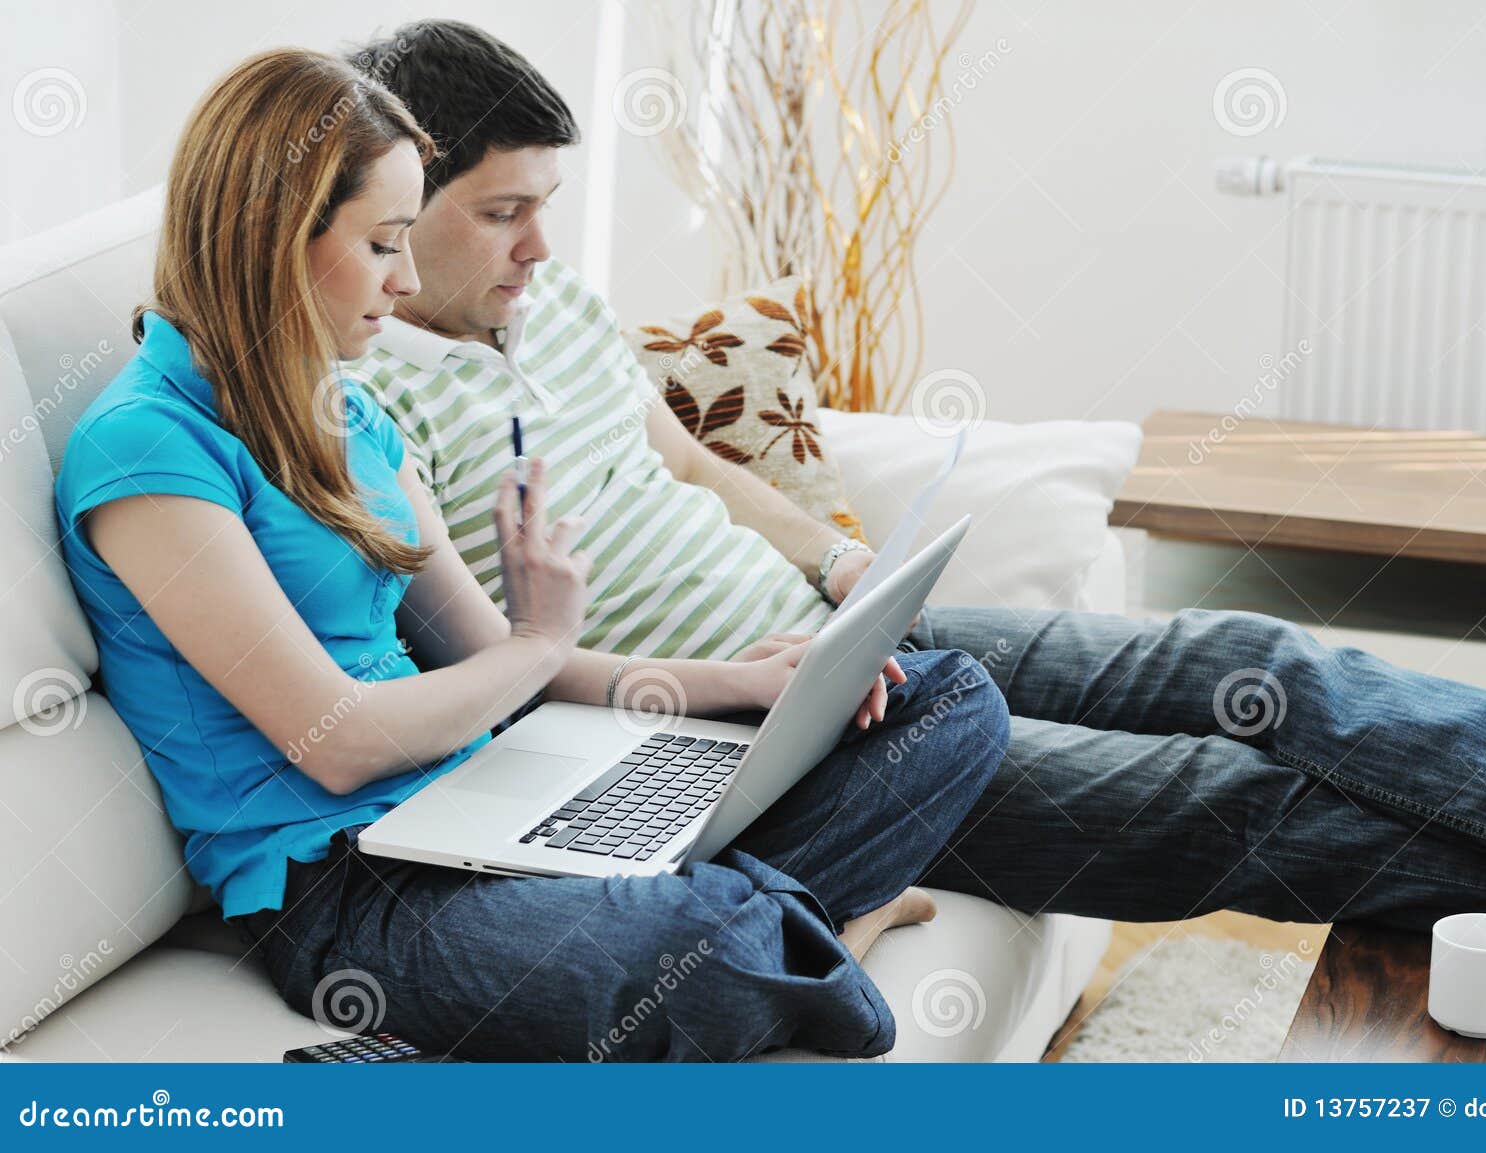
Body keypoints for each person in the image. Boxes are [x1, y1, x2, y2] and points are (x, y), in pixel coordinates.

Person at [350, 19, 1486, 951]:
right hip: (737, 736)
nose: (540, 246)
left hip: (835, 641)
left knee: (1254, 658)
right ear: (400, 206)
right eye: (504, 211)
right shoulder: (370, 405)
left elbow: (681, 460)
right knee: (1228, 804)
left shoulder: (551, 302)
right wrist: (743, 686)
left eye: (546, 205)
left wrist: (846, 569)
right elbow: (484, 669)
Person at [53, 48, 1013, 1062]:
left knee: (945, 703)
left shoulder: (353, 412)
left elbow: (494, 658)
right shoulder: (148, 448)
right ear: (274, 238)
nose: (409, 278)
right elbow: (337, 740)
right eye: (383, 243)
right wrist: (539, 641)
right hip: (350, 884)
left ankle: (780, 930)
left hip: (493, 801)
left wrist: (737, 684)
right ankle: (819, 927)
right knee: (710, 940)